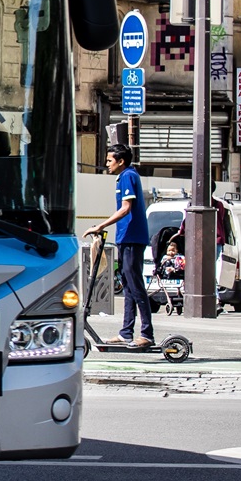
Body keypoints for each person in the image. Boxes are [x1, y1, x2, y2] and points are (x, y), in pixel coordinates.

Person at [85, 144, 153, 347]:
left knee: (136, 285)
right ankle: (126, 332)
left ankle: (147, 333)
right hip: (125, 236)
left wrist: (101, 225)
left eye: (109, 160)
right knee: (128, 286)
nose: (107, 164)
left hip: (132, 237)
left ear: (121, 161)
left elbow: (125, 209)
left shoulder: (128, 176)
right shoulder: (124, 176)